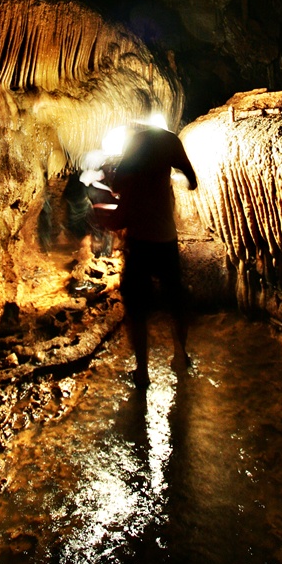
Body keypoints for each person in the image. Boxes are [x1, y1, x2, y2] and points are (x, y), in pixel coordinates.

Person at [101, 124, 198, 388]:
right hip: (166, 238)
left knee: (137, 308)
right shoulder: (170, 141)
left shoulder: (133, 146)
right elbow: (191, 179)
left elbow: (118, 186)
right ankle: (180, 356)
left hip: (140, 240)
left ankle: (142, 372)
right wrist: (167, 178)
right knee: (175, 300)